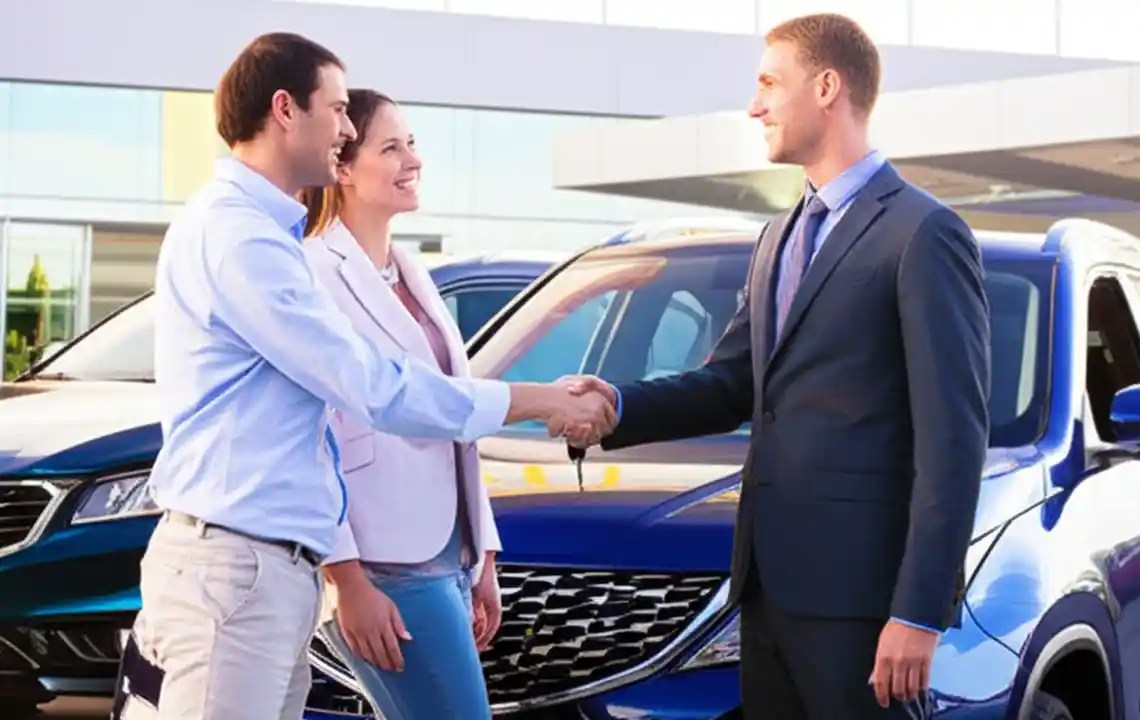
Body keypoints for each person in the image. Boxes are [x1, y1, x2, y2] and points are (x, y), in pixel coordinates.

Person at [131, 33, 613, 720]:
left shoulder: (261, 233)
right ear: (285, 110)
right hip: (238, 569)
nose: (347, 126)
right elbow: (372, 388)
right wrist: (539, 401)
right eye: (336, 109)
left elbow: (320, 430)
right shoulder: (241, 238)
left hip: (266, 570)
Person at [561, 13, 990, 719]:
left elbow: (953, 440)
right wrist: (614, 406)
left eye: (768, 84)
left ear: (826, 87)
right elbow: (732, 383)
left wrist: (918, 612)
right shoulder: (778, 236)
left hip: (861, 602)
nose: (754, 106)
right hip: (765, 592)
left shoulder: (923, 232)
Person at [297, 88, 498, 718]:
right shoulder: (311, 271)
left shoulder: (409, 269)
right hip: (381, 560)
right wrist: (346, 580)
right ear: (344, 168)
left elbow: (453, 417)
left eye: (412, 143)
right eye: (391, 147)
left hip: (444, 551)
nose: (413, 159)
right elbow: (310, 436)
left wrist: (481, 551)